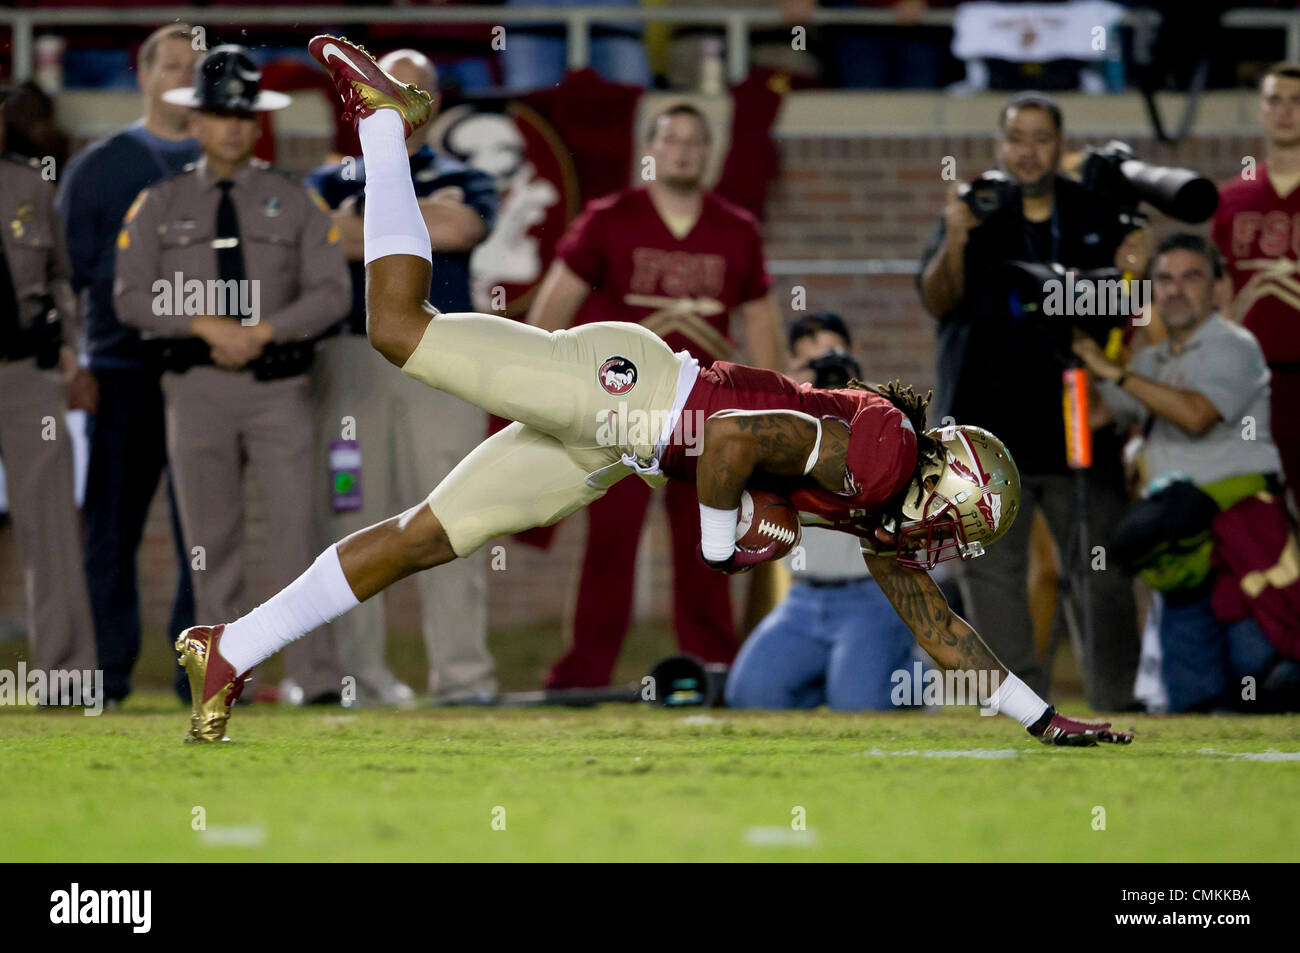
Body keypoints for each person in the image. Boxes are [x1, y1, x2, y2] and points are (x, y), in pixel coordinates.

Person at [172, 34, 1132, 750]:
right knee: (397, 329)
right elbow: (732, 443)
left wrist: (1045, 721)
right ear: (950, 484)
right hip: (631, 393)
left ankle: (230, 648)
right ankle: (384, 122)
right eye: (963, 524)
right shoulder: (878, 450)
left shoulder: (887, 510)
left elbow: (941, 633)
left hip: (622, 445)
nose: (948, 543)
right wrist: (721, 544)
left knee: (426, 535)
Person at [114, 45, 351, 706]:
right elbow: (129, 298)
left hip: (279, 386)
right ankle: (221, 680)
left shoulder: (294, 200)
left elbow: (331, 292)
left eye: (244, 114)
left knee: (297, 534)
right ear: (196, 122)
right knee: (208, 543)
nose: (233, 126)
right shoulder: (158, 203)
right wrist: (203, 325)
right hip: (195, 390)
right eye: (220, 114)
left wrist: (266, 331)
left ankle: (320, 679)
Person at [527, 101, 785, 690]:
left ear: (709, 152)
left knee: (709, 543)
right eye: (672, 139)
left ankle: (715, 669)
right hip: (622, 416)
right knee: (609, 549)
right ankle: (584, 676)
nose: (684, 150)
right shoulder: (609, 218)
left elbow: (762, 323)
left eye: (696, 140)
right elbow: (552, 311)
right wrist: (552, 388)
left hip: (704, 418)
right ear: (651, 148)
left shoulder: (736, 228)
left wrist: (774, 411)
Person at [918, 91, 1144, 712]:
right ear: (999, 144)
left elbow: (1129, 313)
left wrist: (1131, 270)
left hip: (1077, 423)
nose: (1027, 150)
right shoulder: (975, 210)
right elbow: (938, 300)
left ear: (1059, 144)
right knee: (992, 577)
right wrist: (958, 238)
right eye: (1016, 137)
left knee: (1101, 571)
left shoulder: (1094, 213)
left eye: (1041, 138)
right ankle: (1016, 710)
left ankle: (1114, 702)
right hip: (986, 433)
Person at [304, 48, 499, 706]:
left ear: (433, 102)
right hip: (349, 362)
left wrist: (362, 228)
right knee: (349, 513)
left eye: (413, 88)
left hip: (442, 358)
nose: (399, 96)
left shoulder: (464, 175)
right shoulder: (330, 176)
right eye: (387, 84)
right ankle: (358, 678)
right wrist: (409, 224)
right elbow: (320, 238)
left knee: (456, 517)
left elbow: (460, 226)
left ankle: (463, 678)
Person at [1074, 234, 1296, 713]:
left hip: (1242, 540)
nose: (1174, 289)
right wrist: (1079, 341)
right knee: (1189, 698)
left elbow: (1197, 415)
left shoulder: (1235, 346)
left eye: (1190, 277)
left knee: (1263, 678)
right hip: (1179, 547)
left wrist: (1115, 374)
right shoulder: (1149, 360)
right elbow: (1095, 416)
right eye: (1165, 279)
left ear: (1218, 289)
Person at [56, 23, 201, 705]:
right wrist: (70, 359)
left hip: (206, 375)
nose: (181, 75)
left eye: (192, 66)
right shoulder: (99, 167)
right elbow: (65, 275)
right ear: (141, 75)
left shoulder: (226, 163)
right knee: (111, 528)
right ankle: (104, 673)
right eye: (169, 64)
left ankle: (196, 673)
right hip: (119, 371)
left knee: (205, 530)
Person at [725, 313, 921, 711]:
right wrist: (789, 396)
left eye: (834, 356)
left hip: (874, 594)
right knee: (750, 695)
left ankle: (916, 678)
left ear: (854, 356)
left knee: (859, 706)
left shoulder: (886, 417)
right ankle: (837, 678)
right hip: (804, 600)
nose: (827, 370)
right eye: (810, 362)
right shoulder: (779, 425)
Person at [0, 108, 97, 699]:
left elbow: (61, 274)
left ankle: (63, 678)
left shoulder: (30, 182)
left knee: (53, 528)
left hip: (27, 376)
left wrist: (67, 344)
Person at [1212, 60, 1300, 506]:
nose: (1285, 111)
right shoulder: (1231, 199)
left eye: (1296, 101)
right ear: (1261, 109)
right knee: (1253, 515)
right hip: (1249, 383)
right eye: (1274, 100)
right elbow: (1212, 297)